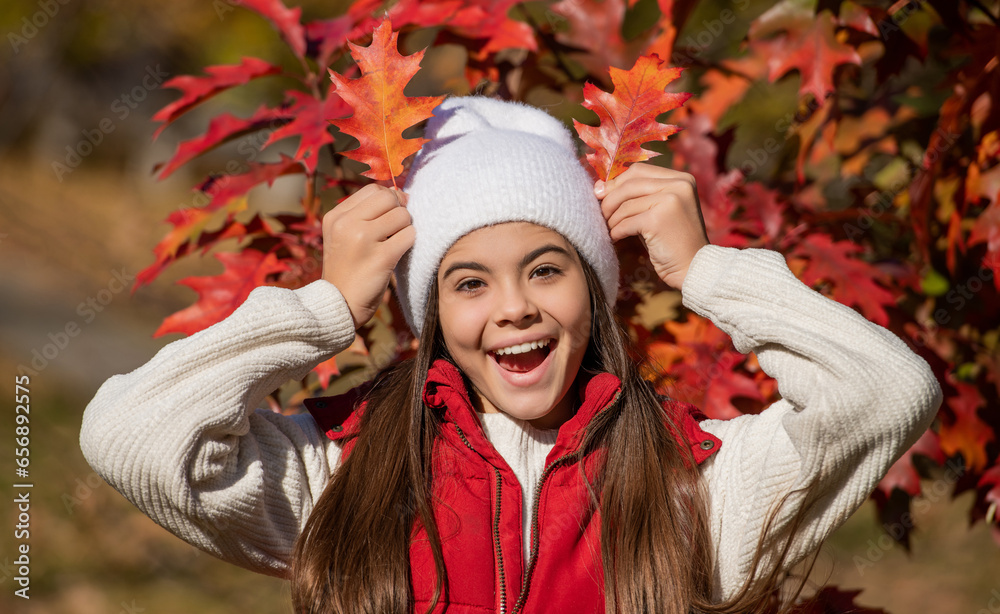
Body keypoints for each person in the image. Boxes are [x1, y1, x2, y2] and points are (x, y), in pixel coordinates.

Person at [80, 97, 942, 614]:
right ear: (429, 312)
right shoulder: (341, 472)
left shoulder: (693, 481)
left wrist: (708, 272)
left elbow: (885, 391)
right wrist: (324, 307)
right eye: (469, 283)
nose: (515, 307)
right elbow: (130, 438)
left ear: (595, 289)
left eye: (546, 269)